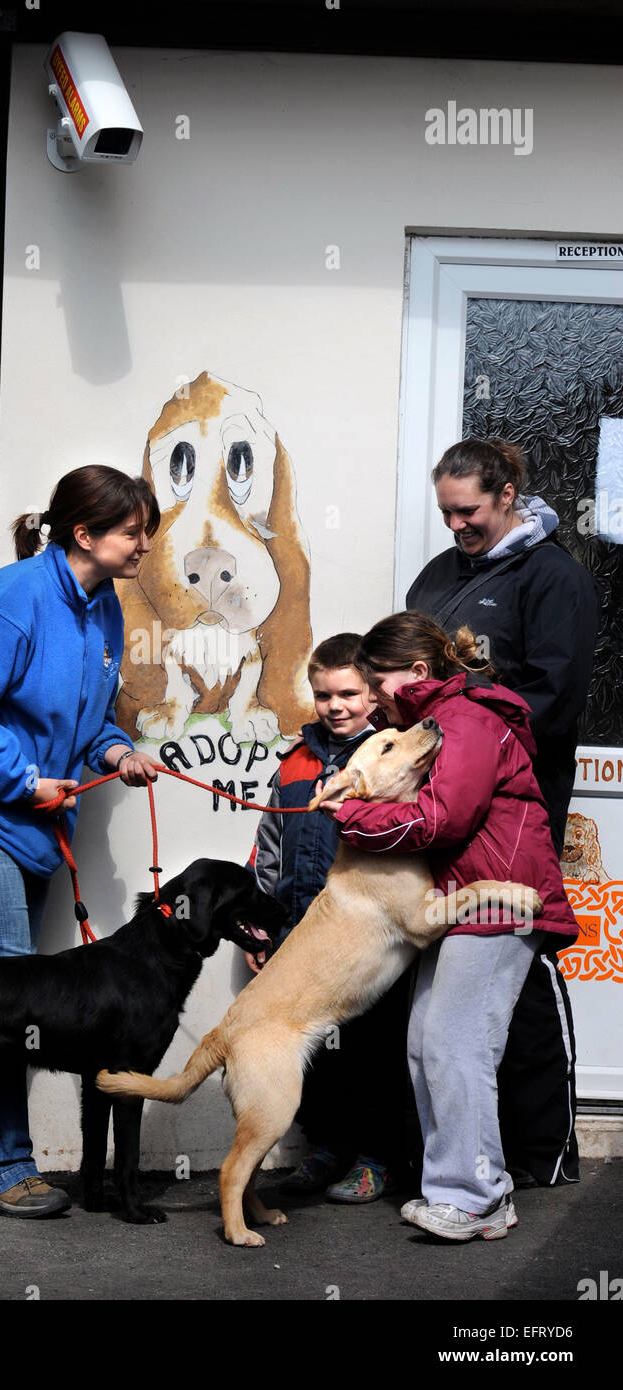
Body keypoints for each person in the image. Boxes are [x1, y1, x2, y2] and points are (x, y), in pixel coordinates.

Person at [0, 464, 160, 1219]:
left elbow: (87, 718)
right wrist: (20, 778)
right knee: (10, 1002)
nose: (144, 545)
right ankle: (5, 1168)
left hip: (31, 831)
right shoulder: (13, 598)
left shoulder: (103, 605)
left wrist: (115, 752)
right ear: (85, 535)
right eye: (132, 531)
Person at [319, 612, 580, 1241]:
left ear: (415, 672)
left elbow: (444, 819)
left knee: (456, 1045)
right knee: (429, 1044)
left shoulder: (468, 719)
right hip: (463, 899)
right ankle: (461, 1191)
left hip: (499, 899)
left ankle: (475, 1195)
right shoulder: (435, 721)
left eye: (375, 683)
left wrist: (350, 817)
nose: (372, 698)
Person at [407, 437, 598, 1188]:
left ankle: (544, 1150)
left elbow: (553, 700)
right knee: (449, 994)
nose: (457, 526)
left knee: (519, 978)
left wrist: (463, 737)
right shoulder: (438, 575)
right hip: (442, 811)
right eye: (447, 513)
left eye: (469, 511)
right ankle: (448, 1154)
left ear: (508, 492)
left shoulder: (556, 580)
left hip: (515, 815)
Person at [247, 634, 412, 1204]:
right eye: (323, 695)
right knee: (312, 1050)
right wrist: (258, 923)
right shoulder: (295, 760)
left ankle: (375, 1158)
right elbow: (267, 842)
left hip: (364, 938)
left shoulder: (391, 755)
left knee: (371, 1048)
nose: (335, 706)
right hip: (298, 932)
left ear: (372, 695)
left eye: (347, 693)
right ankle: (324, 1148)